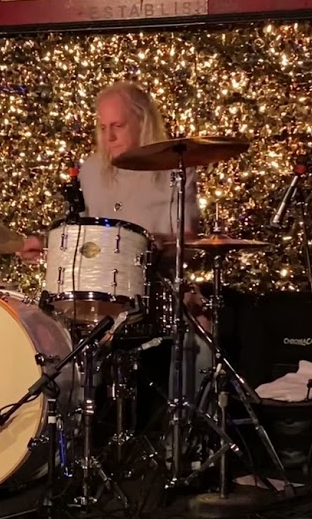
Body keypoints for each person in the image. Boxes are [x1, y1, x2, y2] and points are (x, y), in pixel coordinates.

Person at [16, 81, 213, 397]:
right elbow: (86, 236)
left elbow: (188, 244)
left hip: (155, 294)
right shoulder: (92, 170)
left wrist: (148, 244)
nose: (108, 137)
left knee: (199, 344)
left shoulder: (176, 168)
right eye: (103, 126)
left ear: (143, 122)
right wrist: (48, 244)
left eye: (118, 126)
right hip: (100, 302)